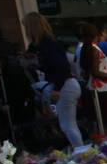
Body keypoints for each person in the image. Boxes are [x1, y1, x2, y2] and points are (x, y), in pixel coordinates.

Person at [24, 12, 82, 148]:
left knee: (68, 125)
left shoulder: (47, 45)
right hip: (66, 84)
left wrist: (57, 88)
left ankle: (81, 152)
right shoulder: (50, 43)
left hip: (64, 85)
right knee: (69, 124)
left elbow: (60, 67)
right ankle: (81, 152)